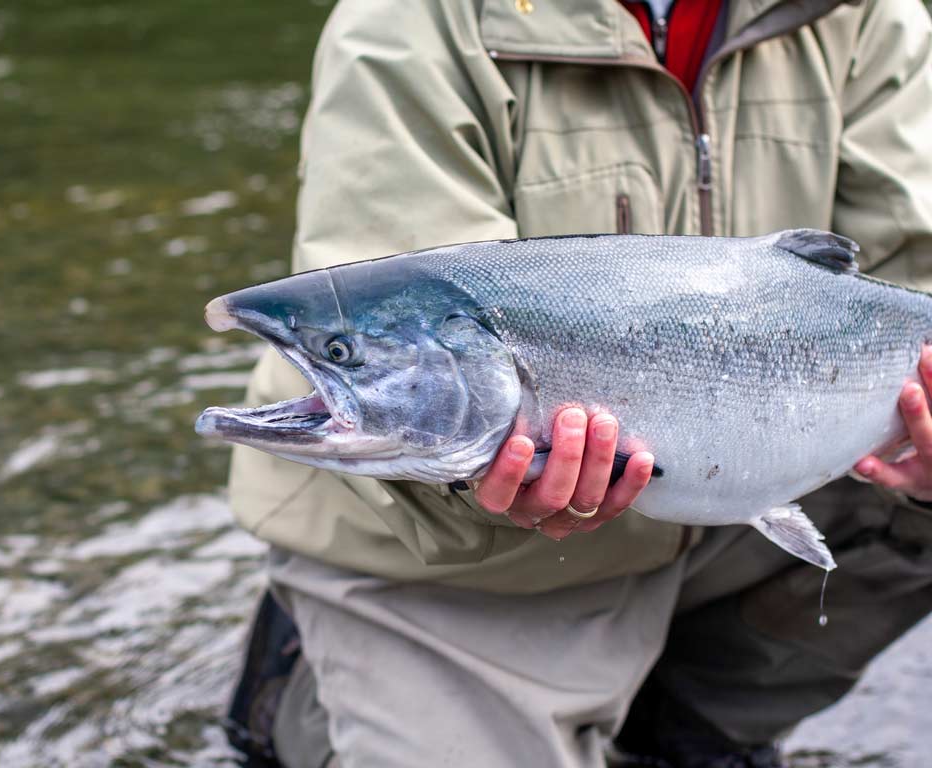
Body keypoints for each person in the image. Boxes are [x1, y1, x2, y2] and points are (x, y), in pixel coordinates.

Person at [222, 1, 932, 766]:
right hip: (464, 570)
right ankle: (303, 694)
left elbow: (910, 275)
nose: (336, 353)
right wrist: (479, 475)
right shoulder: (410, 19)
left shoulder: (865, 15)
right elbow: (396, 311)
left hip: (734, 511)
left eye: (337, 351)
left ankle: (688, 727)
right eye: (337, 351)